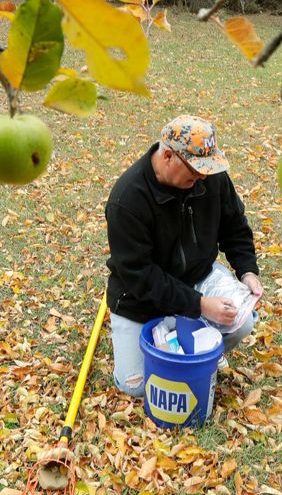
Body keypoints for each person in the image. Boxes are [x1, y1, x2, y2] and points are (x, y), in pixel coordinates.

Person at [104, 115, 262, 397]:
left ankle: (200, 348)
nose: (202, 176)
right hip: (140, 299)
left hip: (197, 276)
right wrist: (200, 305)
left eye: (206, 168)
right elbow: (140, 276)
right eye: (195, 169)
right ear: (167, 156)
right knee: (138, 386)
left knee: (242, 320)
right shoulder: (127, 199)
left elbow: (235, 227)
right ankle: (175, 336)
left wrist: (247, 271)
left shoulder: (211, 177)